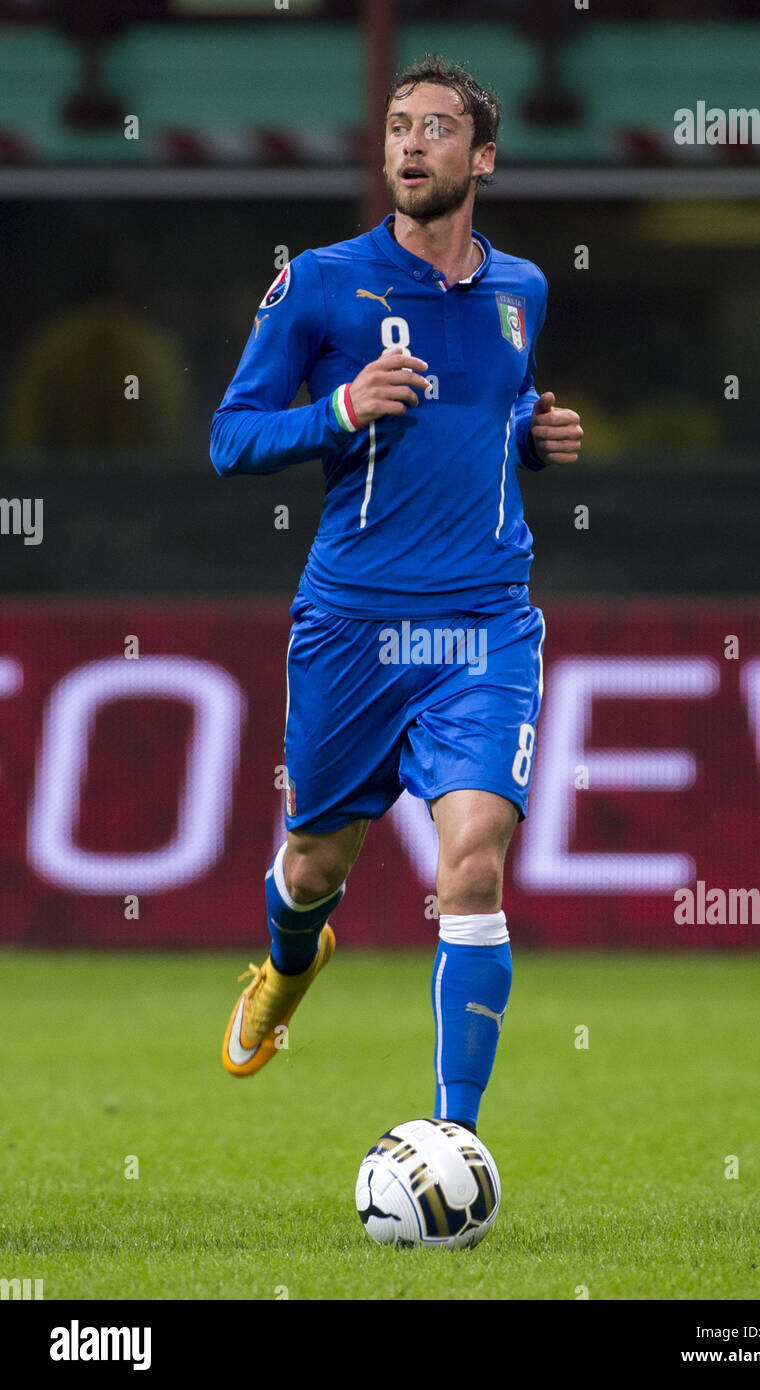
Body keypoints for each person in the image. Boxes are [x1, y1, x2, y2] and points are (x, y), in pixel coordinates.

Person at [210, 54, 583, 1137]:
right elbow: (232, 438)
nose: (410, 143)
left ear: (483, 158)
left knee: (471, 861)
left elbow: (489, 421)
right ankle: (288, 963)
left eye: (435, 127)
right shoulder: (322, 282)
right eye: (396, 126)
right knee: (315, 859)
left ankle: (451, 1137)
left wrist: (534, 443)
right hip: (354, 628)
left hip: (483, 623)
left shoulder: (522, 290)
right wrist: (336, 407)